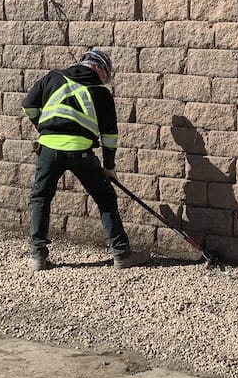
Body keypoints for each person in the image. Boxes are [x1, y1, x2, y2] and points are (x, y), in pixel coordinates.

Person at [21, 49, 150, 271]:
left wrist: (43, 129)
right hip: (81, 152)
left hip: (48, 150)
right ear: (99, 68)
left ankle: (38, 256)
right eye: (105, 76)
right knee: (105, 199)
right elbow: (109, 136)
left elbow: (29, 106)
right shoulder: (101, 93)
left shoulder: (53, 77)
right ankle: (121, 253)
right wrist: (109, 167)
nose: (104, 80)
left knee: (41, 198)